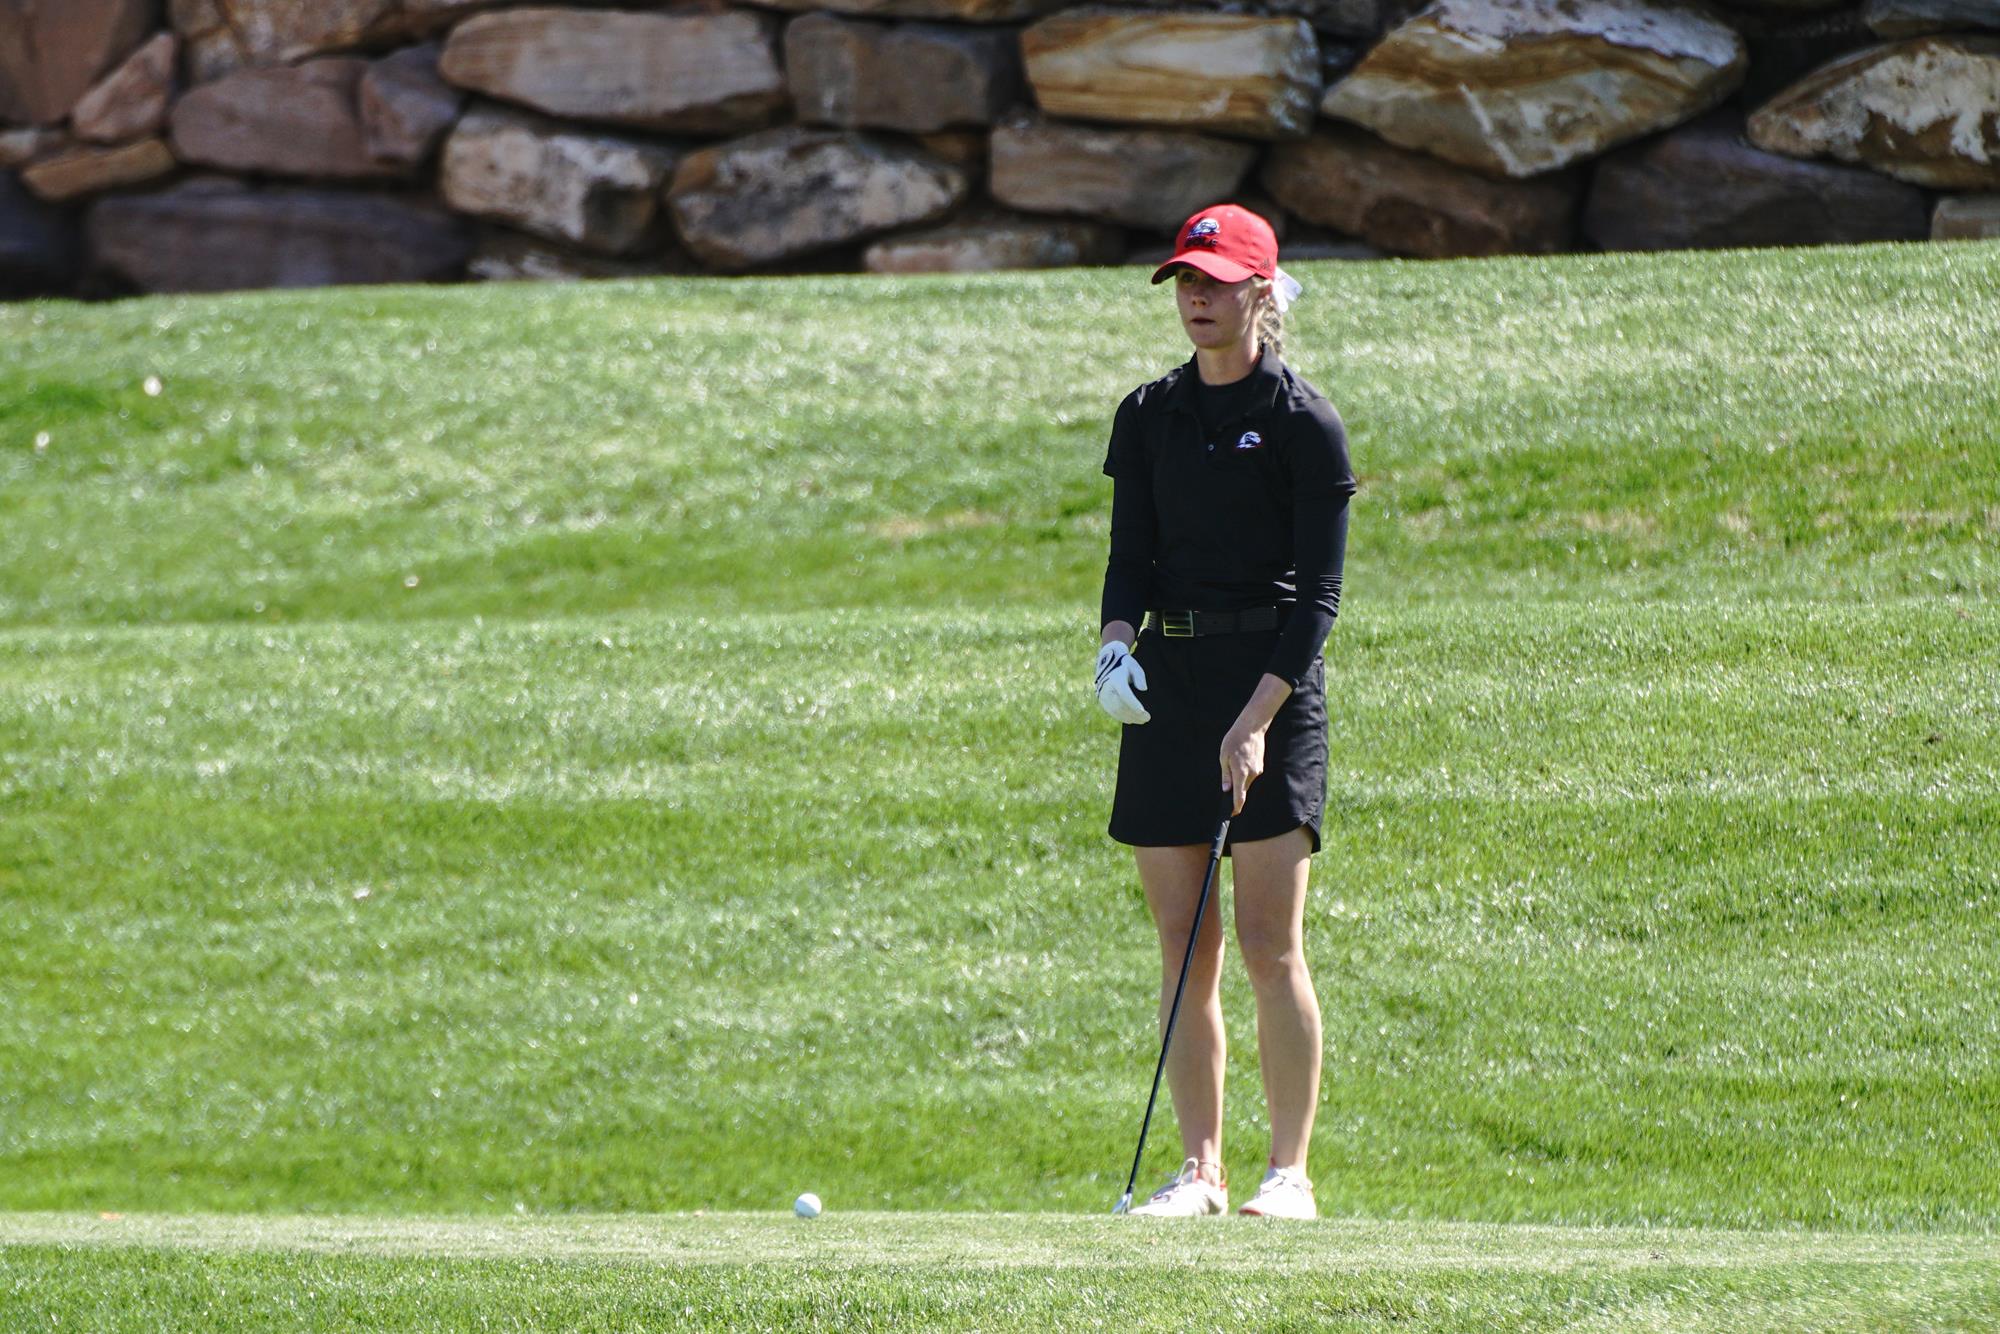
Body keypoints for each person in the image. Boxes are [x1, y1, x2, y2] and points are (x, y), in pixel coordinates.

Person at [1094, 203, 1355, 1219]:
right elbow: (1129, 557)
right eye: (1184, 282)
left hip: (1270, 685)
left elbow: (1317, 600)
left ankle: (1285, 1172)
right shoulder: (1148, 413)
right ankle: (1197, 1170)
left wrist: (1252, 721)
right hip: (1171, 683)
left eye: (1215, 280)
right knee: (1181, 940)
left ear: (1261, 290)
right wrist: (1115, 641)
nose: (1196, 297)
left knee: (1265, 943)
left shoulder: (1302, 421)